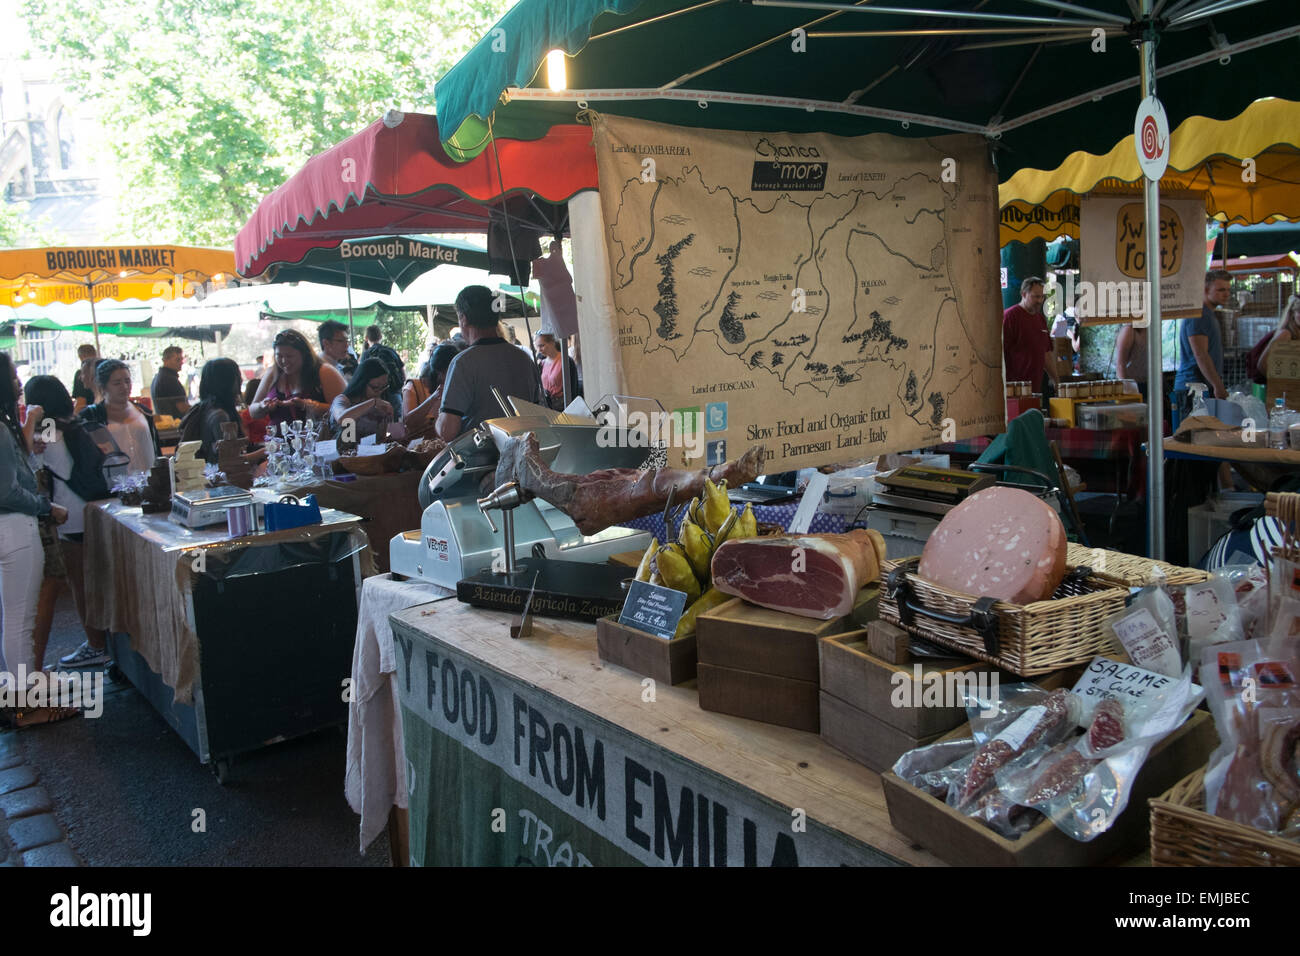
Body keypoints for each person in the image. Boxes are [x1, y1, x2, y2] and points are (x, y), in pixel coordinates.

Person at [0, 353, 72, 724]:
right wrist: (46, 507)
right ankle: (27, 706)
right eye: (13, 375)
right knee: (19, 621)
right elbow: (6, 492)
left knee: (13, 620)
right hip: (14, 527)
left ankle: (22, 697)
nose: (18, 380)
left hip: (12, 527)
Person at [23, 375, 109, 669]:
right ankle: (101, 641)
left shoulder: (46, 429)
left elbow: (30, 466)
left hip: (68, 514)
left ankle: (96, 644)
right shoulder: (72, 423)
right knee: (94, 579)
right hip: (91, 506)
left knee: (80, 583)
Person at [436, 286, 546, 442]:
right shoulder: (524, 359)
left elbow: (447, 431)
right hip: (524, 454)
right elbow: (538, 416)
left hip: (480, 460)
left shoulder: (463, 363)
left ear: (463, 318)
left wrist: (439, 417)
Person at [249, 329, 345, 431]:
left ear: (304, 355)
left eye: (289, 356)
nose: (284, 361)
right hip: (278, 443)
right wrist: (262, 406)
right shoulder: (272, 373)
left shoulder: (324, 371)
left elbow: (344, 410)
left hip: (317, 441)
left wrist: (309, 405)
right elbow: (253, 411)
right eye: (279, 356)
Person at [80, 359, 160, 475]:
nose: (124, 387)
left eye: (127, 381)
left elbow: (156, 448)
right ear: (103, 386)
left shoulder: (144, 412)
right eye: (117, 383)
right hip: (112, 487)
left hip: (149, 483)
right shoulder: (91, 416)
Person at [1176, 269, 1232, 408]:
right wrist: (1217, 385)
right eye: (1220, 290)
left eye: (1228, 290)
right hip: (1194, 388)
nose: (1226, 294)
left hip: (1200, 386)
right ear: (1206, 289)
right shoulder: (1200, 315)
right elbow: (1200, 353)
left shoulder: (1207, 314)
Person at [181, 358, 248, 463]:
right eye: (237, 376)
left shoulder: (204, 407)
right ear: (227, 381)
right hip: (222, 475)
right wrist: (264, 452)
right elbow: (232, 458)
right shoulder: (220, 415)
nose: (241, 380)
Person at [1002, 277, 1056, 396]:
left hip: (1035, 389)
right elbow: (998, 353)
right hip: (1014, 390)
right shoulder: (1010, 317)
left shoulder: (1040, 319)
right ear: (1023, 294)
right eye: (1036, 296)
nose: (1040, 300)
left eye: (1042, 297)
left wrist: (1056, 379)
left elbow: (1046, 353)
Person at [330, 358, 396, 441]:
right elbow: (342, 419)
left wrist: (395, 428)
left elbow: (387, 436)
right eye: (375, 387)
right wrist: (372, 403)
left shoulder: (382, 405)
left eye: (384, 387)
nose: (379, 392)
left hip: (372, 452)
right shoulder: (343, 400)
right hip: (342, 451)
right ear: (362, 383)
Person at [402, 342, 458, 436]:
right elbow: (408, 422)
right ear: (438, 372)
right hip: (420, 446)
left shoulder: (456, 386)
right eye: (446, 372)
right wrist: (433, 397)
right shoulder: (413, 387)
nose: (449, 376)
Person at [1249, 294, 1300, 385]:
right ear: (1293, 313)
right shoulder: (1285, 334)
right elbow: (1262, 365)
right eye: (1299, 311)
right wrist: (1280, 383)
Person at [360, 324, 405, 410]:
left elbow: (362, 377)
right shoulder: (390, 351)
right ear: (380, 336)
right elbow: (402, 373)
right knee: (396, 421)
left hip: (376, 396)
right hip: (394, 393)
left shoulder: (366, 355)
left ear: (366, 338)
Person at [535, 332, 581, 408]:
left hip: (562, 406)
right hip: (546, 406)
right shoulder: (542, 363)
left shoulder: (566, 361)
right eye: (537, 347)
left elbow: (573, 388)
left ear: (552, 343)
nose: (539, 350)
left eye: (542, 346)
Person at [150, 345, 191, 419]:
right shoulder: (169, 379)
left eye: (181, 359)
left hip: (167, 423)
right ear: (165, 360)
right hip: (176, 425)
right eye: (178, 360)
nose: (181, 363)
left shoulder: (158, 377)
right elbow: (182, 407)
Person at [1114, 323, 1149, 398]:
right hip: (1132, 386)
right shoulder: (1129, 330)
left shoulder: (1149, 330)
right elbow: (1120, 365)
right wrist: (1126, 390)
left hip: (1149, 383)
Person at [69, 343, 97, 408]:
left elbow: (81, 401)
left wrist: (74, 416)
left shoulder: (82, 373)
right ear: (95, 354)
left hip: (89, 413)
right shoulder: (103, 370)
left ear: (80, 357)